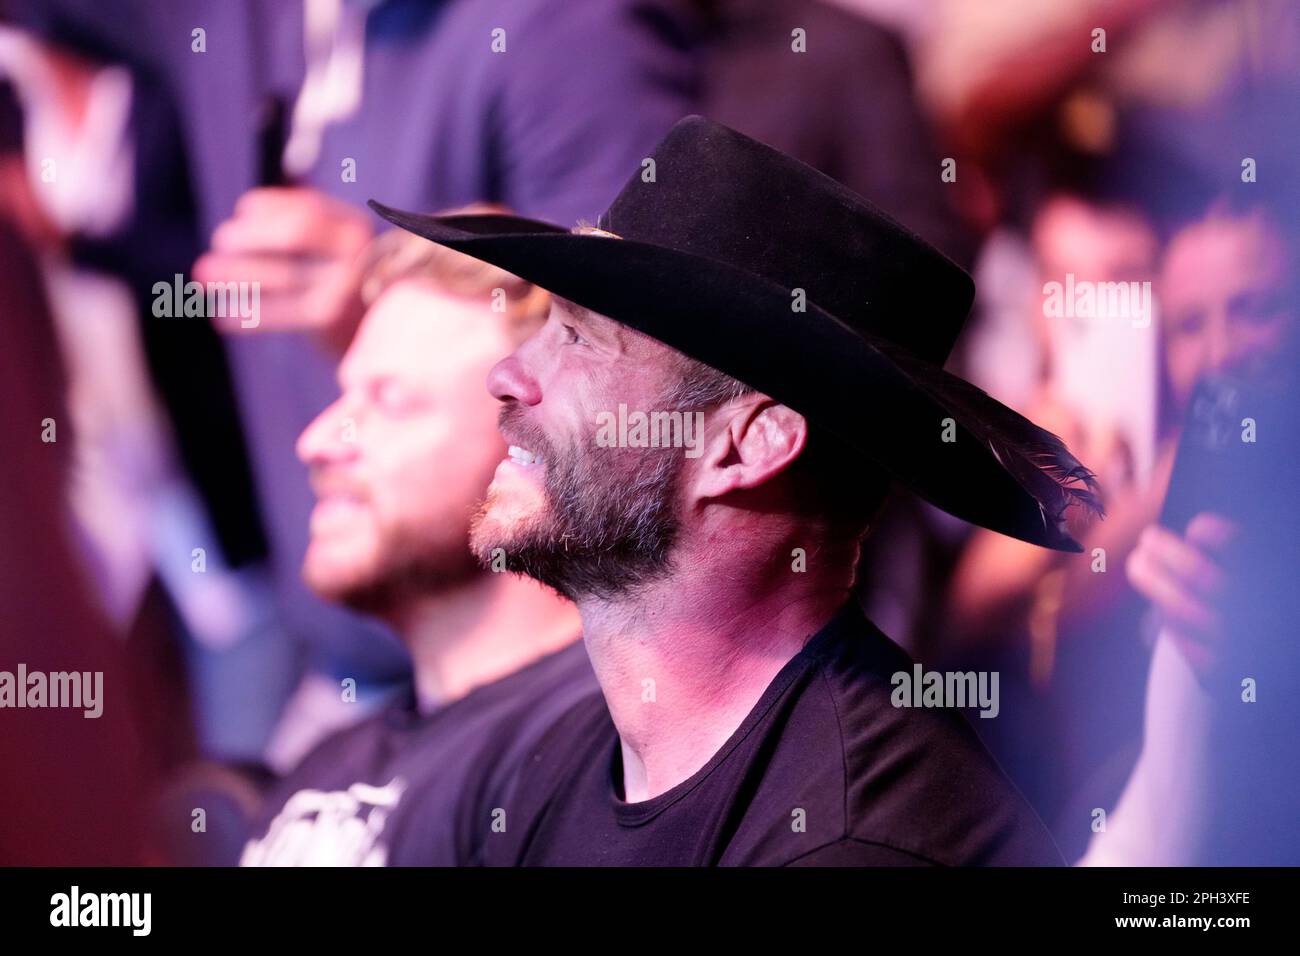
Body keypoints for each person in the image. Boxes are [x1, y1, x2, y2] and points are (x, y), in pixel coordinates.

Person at [371, 117, 1102, 865]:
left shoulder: (863, 841)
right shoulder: (552, 774)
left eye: (581, 337)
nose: (507, 377)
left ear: (749, 443)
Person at [238, 220, 593, 867]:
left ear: (530, 446)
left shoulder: (594, 759)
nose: (316, 441)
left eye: (390, 400)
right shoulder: (328, 760)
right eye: (344, 394)